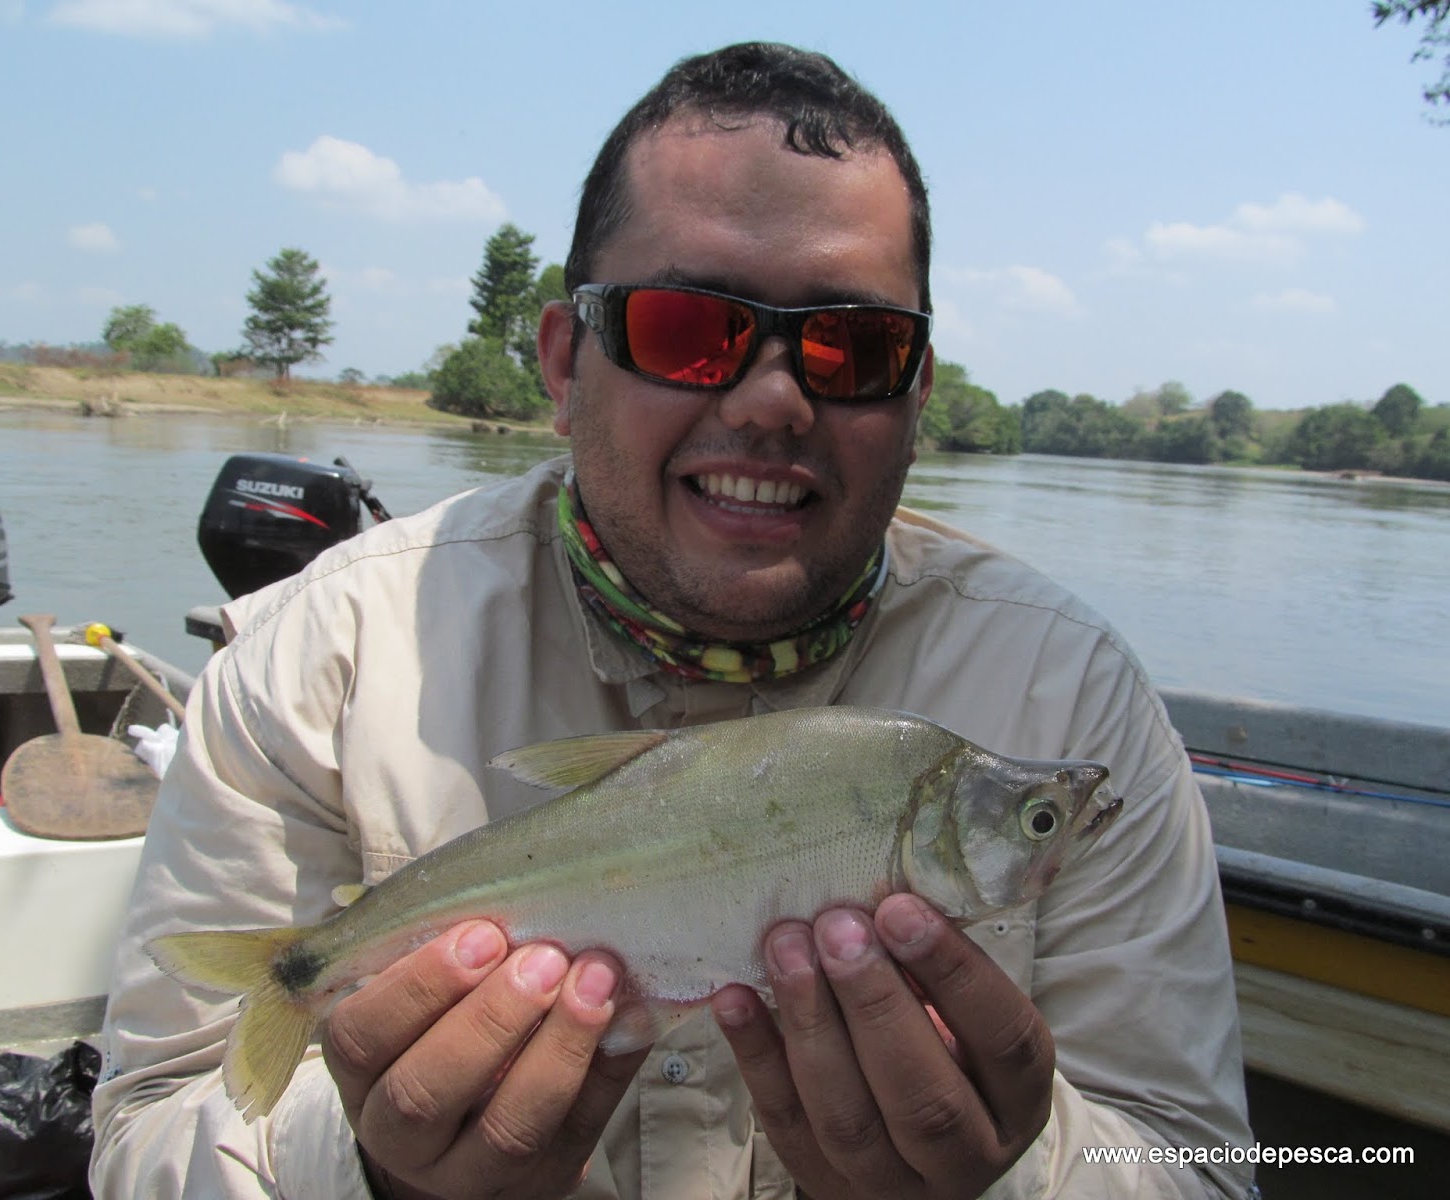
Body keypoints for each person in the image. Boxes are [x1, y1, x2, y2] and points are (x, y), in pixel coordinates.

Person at [91, 42, 1255, 1200]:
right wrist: (366, 1166)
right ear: (563, 363)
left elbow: (1205, 1173)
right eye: (685, 330)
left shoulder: (1071, 690)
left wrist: (1019, 1174)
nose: (771, 400)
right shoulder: (313, 665)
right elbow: (142, 1150)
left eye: (853, 348)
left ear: (916, 397)